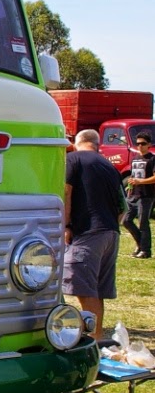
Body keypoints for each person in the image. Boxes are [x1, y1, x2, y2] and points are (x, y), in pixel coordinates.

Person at [63, 129, 127, 340]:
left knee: (83, 286)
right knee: (96, 289)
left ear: (77, 142)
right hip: (111, 233)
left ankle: (92, 338)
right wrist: (110, 226)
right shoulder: (110, 166)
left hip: (89, 233)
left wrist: (65, 225)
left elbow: (66, 192)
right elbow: (123, 207)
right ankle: (97, 335)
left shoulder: (74, 159)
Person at [122, 130, 155, 258]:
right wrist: (130, 185)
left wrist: (140, 181)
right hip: (133, 195)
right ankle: (140, 243)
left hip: (146, 196)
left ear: (149, 145)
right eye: (138, 144)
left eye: (143, 144)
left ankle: (146, 251)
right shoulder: (135, 159)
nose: (140, 146)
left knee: (143, 222)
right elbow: (133, 176)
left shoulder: (152, 159)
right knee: (126, 221)